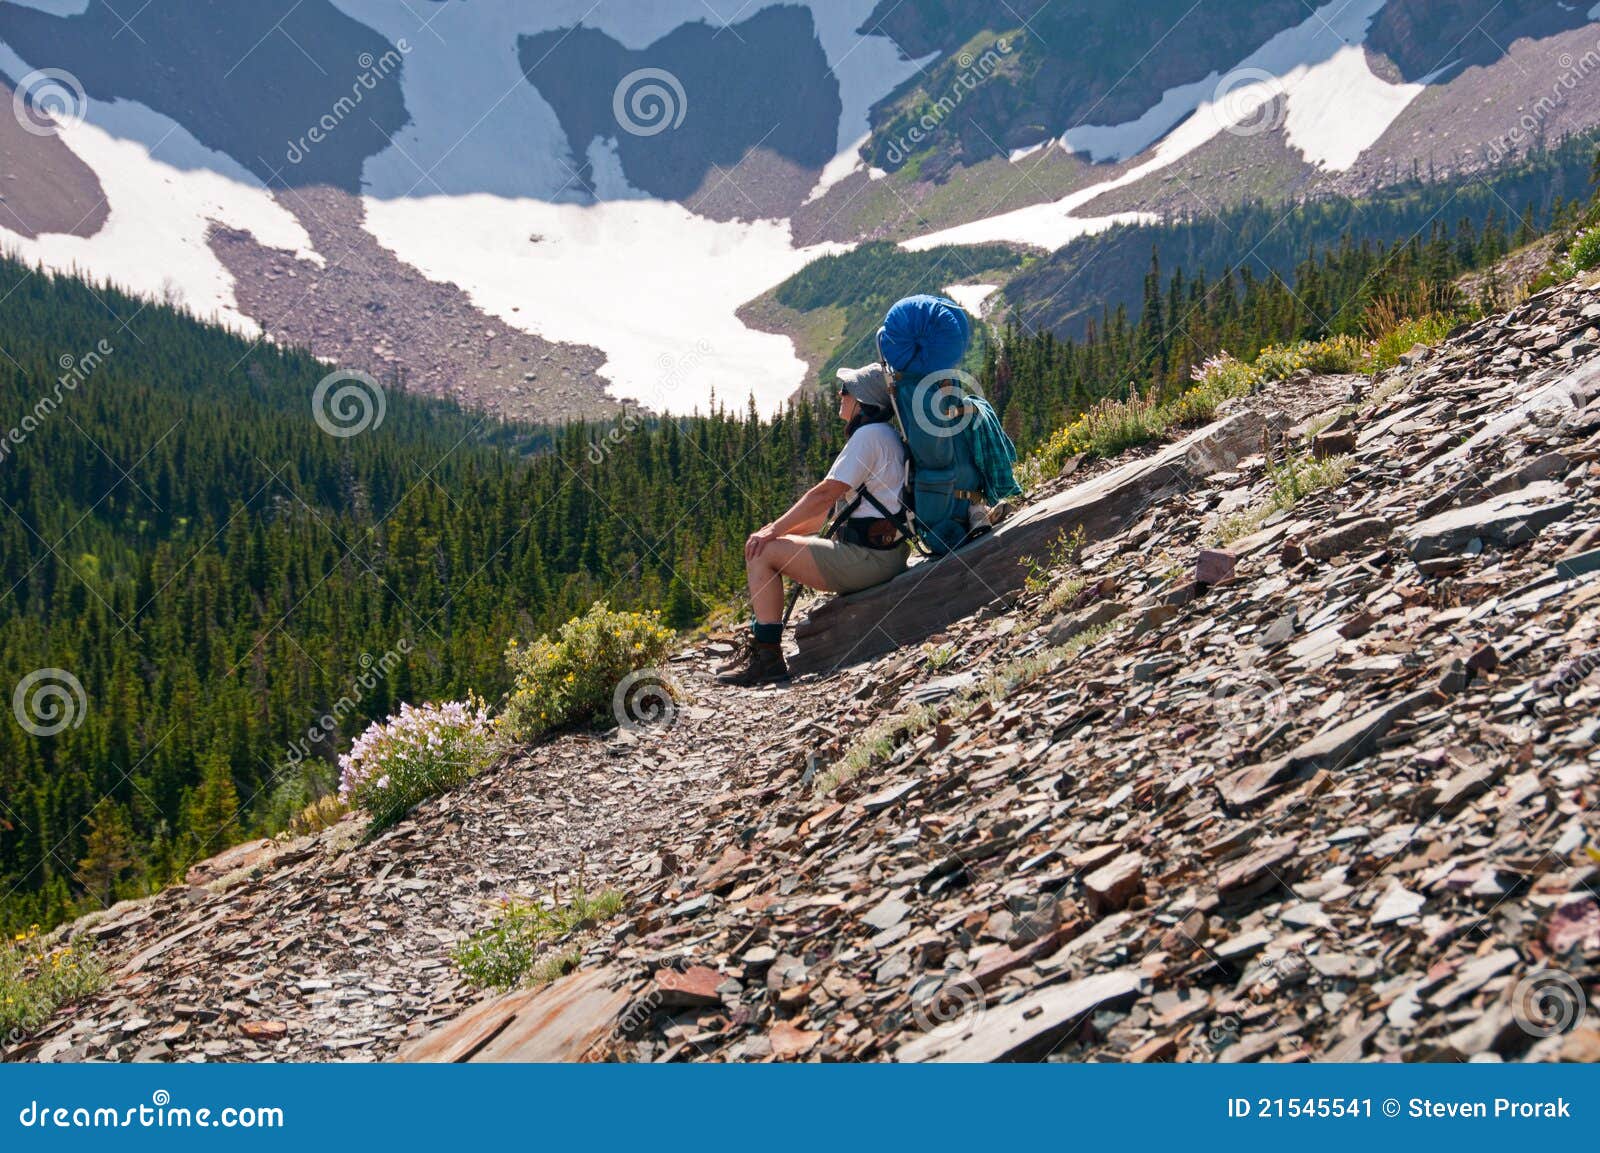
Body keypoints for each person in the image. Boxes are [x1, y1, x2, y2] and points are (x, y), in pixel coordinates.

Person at [716, 363, 911, 686]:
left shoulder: (868, 436)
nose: (840, 394)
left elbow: (824, 495)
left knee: (761, 553)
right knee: (770, 547)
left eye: (846, 390)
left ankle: (767, 658)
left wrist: (772, 534)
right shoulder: (883, 435)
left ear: (862, 401)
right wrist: (780, 535)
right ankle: (763, 649)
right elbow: (820, 516)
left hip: (868, 561)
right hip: (886, 554)